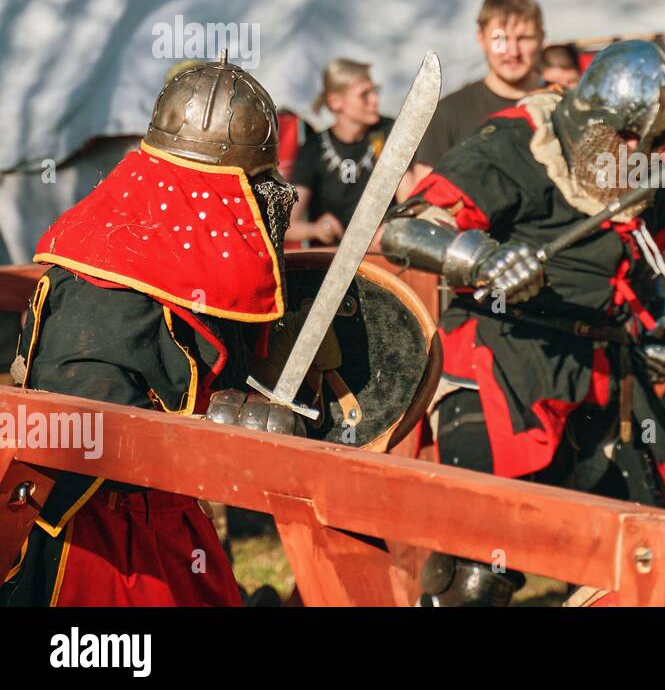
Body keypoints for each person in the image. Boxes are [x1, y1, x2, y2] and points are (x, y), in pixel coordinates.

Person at [381, 40, 665, 606]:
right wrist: (484, 259)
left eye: (649, 140)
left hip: (601, 373)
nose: (635, 150)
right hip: (501, 360)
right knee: (477, 572)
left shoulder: (640, 165)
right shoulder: (515, 143)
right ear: (592, 114)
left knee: (639, 560)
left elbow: (649, 263)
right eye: (627, 134)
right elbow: (406, 230)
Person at [2, 57, 297, 606]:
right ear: (227, 185)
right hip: (103, 540)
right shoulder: (108, 281)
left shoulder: (161, 238)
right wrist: (216, 424)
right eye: (259, 184)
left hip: (168, 516)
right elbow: (83, 421)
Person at [404, 0, 544, 185]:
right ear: (481, 38)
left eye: (524, 38)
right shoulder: (448, 113)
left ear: (541, 38)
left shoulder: (565, 108)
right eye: (499, 39)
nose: (512, 51)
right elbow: (426, 194)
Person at [286, 58, 393, 247]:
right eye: (364, 94)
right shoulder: (314, 147)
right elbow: (287, 226)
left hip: (380, 255)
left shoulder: (389, 132)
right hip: (331, 258)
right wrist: (316, 229)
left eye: (375, 91)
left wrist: (393, 227)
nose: (375, 100)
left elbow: (410, 196)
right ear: (335, 102)